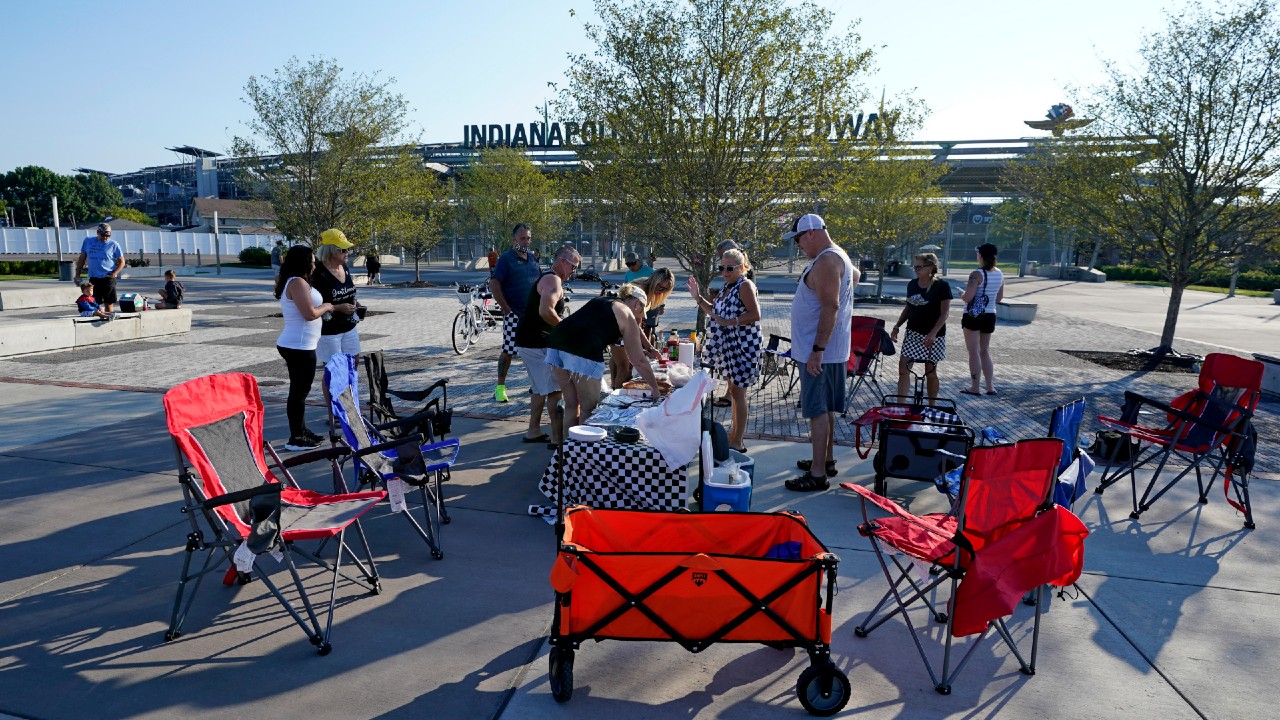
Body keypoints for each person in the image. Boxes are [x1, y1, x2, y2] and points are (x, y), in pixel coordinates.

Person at [782, 214, 858, 492]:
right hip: (828, 349)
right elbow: (855, 277)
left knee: (817, 410)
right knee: (825, 408)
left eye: (799, 239)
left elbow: (831, 306)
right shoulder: (837, 256)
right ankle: (824, 460)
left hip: (820, 352)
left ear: (811, 233)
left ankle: (817, 475)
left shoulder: (826, 260)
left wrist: (817, 350)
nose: (798, 245)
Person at [547, 283, 662, 443]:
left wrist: (648, 348)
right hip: (582, 350)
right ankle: (582, 453)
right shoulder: (627, 314)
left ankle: (565, 451)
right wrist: (655, 388)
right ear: (637, 304)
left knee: (571, 404)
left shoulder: (603, 300)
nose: (639, 318)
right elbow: (638, 360)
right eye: (640, 314)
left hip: (556, 343)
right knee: (588, 409)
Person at [275, 244, 354, 451]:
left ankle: (302, 430)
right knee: (298, 393)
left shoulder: (299, 281)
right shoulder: (297, 282)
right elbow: (309, 314)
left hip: (302, 344)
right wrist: (328, 306)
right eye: (311, 261)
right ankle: (296, 438)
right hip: (297, 346)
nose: (314, 264)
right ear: (302, 263)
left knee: (300, 391)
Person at [688, 249, 761, 453]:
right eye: (722, 268)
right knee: (735, 392)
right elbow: (715, 312)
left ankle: (738, 440)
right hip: (730, 347)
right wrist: (698, 297)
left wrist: (730, 322)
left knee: (739, 393)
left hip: (744, 346)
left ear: (741, 268)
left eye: (729, 268)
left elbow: (755, 314)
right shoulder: (728, 286)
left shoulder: (745, 285)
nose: (725, 272)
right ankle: (734, 434)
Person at [514, 245, 580, 447]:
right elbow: (546, 311)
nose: (574, 271)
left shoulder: (549, 278)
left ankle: (533, 431)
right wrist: (564, 328)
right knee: (554, 390)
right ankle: (557, 438)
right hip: (536, 343)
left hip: (528, 341)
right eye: (574, 266)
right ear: (563, 262)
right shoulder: (553, 280)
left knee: (538, 390)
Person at [890, 252, 953, 403]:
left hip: (933, 336)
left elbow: (944, 314)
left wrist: (932, 333)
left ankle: (931, 405)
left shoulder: (942, 286)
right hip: (913, 333)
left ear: (930, 268)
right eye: (915, 267)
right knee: (903, 369)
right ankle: (901, 405)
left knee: (930, 372)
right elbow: (908, 308)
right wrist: (897, 326)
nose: (916, 270)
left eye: (919, 267)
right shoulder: (912, 284)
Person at [490, 224, 542, 403]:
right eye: (522, 238)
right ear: (514, 239)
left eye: (528, 238)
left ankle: (536, 384)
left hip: (534, 315)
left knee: (536, 351)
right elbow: (494, 284)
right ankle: (500, 388)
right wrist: (506, 309)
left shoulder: (533, 258)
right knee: (508, 351)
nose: (526, 241)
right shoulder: (506, 259)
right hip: (515, 314)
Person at [609, 267, 675, 389]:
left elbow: (636, 324)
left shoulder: (646, 288)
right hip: (618, 327)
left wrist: (648, 348)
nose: (662, 292)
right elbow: (636, 325)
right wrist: (649, 348)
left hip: (620, 326)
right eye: (661, 288)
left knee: (621, 363)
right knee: (625, 368)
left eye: (666, 290)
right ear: (655, 282)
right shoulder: (640, 291)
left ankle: (614, 388)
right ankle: (617, 395)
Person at [311, 229, 362, 365]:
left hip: (349, 325)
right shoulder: (317, 273)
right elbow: (313, 305)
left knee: (354, 362)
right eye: (343, 250)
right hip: (330, 329)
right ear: (330, 251)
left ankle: (350, 381)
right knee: (334, 367)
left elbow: (347, 291)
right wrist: (338, 307)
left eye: (348, 249)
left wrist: (355, 303)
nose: (347, 252)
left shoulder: (344, 268)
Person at [961, 243, 1005, 395]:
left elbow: (968, 298)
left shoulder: (976, 274)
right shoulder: (999, 273)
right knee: (984, 351)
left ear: (980, 255)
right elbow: (999, 298)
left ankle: (975, 387)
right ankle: (990, 386)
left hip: (973, 316)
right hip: (990, 314)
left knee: (973, 352)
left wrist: (961, 293)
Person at [75, 223, 124, 312]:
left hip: (108, 277)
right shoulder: (88, 241)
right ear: (98, 232)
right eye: (103, 235)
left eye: (107, 235)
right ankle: (100, 318)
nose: (105, 237)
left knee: (108, 303)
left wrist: (114, 274)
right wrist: (77, 274)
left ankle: (109, 318)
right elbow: (82, 258)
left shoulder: (113, 244)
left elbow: (122, 262)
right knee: (94, 303)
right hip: (94, 278)